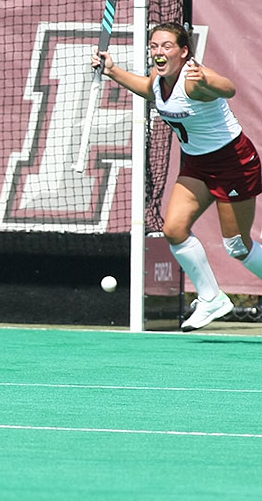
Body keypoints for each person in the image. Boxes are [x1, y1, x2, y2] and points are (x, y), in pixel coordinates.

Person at [95, 22, 262, 331]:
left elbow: (229, 88)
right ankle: (212, 298)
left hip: (234, 162)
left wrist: (209, 79)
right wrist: (112, 70)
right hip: (198, 164)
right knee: (174, 230)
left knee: (238, 246)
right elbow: (146, 89)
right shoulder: (159, 81)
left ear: (184, 52)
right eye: (155, 46)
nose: (159, 51)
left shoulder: (194, 80)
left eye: (167, 46)